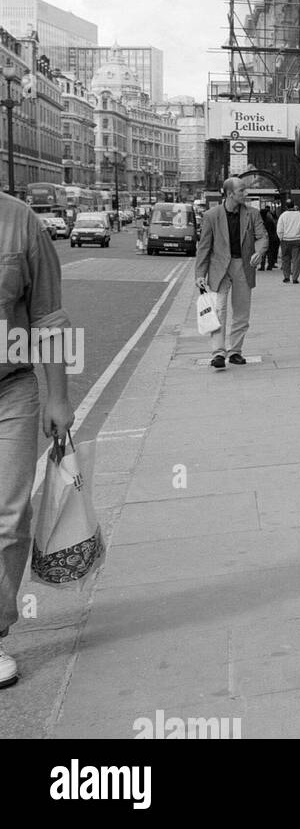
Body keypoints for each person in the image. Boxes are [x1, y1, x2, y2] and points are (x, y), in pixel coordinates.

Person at [0, 189, 75, 691]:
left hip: (11, 388)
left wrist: (58, 398)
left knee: (8, 514)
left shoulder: (20, 220)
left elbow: (47, 315)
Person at [194, 177, 269, 370]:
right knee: (219, 310)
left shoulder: (252, 214)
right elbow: (204, 247)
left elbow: (262, 236)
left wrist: (259, 251)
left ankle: (235, 351)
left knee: (241, 312)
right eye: (242, 191)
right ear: (230, 194)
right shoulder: (212, 215)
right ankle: (218, 353)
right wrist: (200, 274)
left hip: (243, 266)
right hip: (219, 268)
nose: (246, 193)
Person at [276, 200, 300, 284]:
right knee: (297, 260)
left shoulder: (283, 216)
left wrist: (281, 237)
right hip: (297, 240)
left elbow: (279, 229)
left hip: (285, 240)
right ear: (294, 205)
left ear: (286, 206)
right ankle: (295, 278)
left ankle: (286, 277)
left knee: (285, 258)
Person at [261, 204, 280, 271]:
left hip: (263, 238)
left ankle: (262, 266)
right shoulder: (270, 220)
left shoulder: (261, 221)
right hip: (271, 238)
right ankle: (270, 265)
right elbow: (273, 229)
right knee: (270, 252)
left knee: (262, 252)